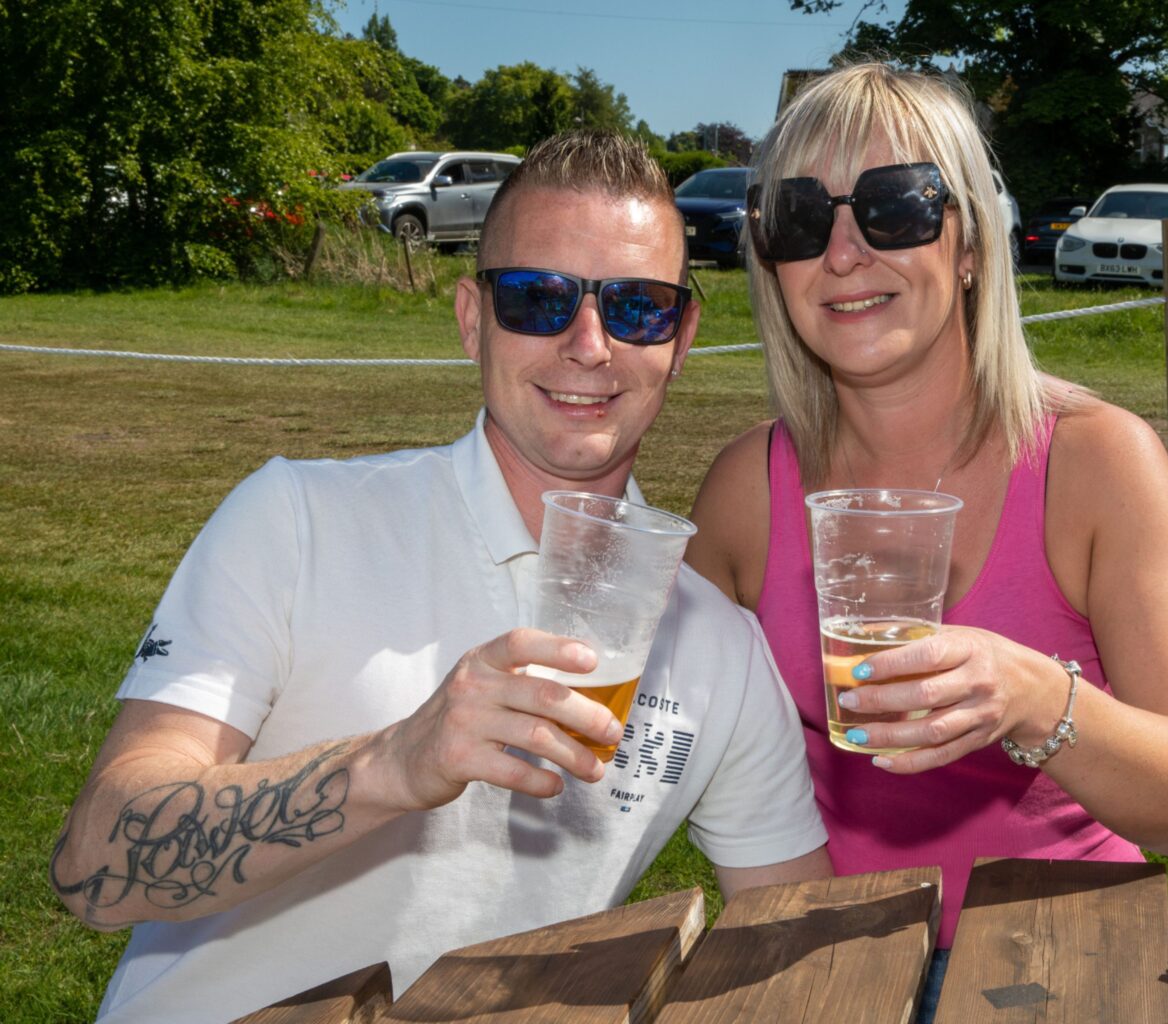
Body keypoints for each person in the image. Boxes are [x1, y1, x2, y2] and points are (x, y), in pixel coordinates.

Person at [50, 131, 832, 1024]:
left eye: (637, 308)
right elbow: (94, 864)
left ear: (682, 338)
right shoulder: (298, 519)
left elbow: (793, 940)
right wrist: (394, 763)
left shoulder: (718, 648)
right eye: (538, 300)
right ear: (471, 318)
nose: (590, 345)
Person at [685, 63, 1168, 1014]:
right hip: (829, 946)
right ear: (771, 263)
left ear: (974, 243)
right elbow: (658, 726)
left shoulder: (1098, 463)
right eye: (799, 219)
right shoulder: (750, 487)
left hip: (1057, 953)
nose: (846, 252)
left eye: (896, 207)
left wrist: (1031, 696)